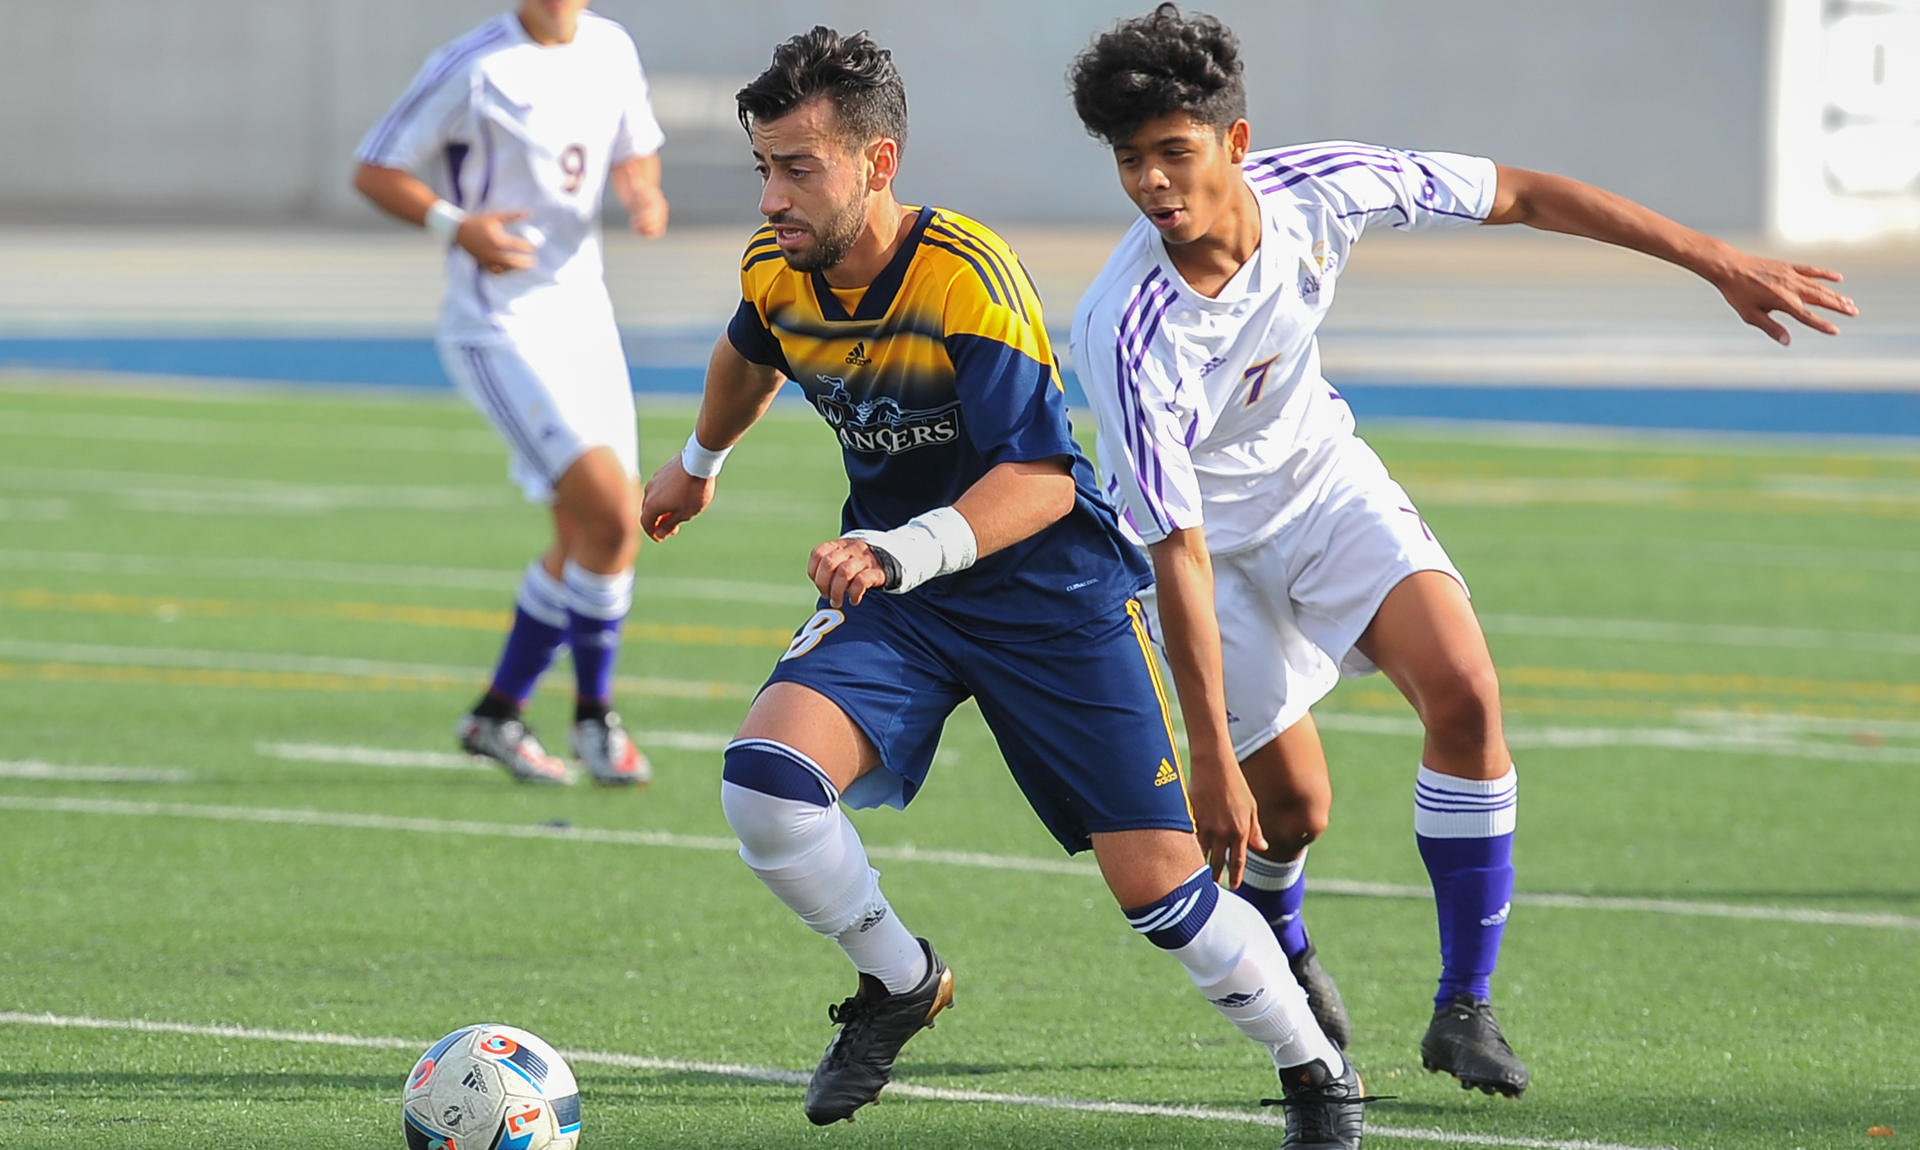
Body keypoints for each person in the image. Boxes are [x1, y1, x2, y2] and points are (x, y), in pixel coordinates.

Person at [1067, 3, 1857, 1099]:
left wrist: (1712, 259)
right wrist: (1208, 755)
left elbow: (1521, 194)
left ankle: (1463, 1007)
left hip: (1322, 483)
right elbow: (1181, 551)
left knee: (1469, 695)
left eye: (1173, 151)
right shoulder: (1124, 329)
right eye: (1129, 161)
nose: (1153, 183)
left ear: (1235, 142)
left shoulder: (1323, 188)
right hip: (1205, 550)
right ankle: (1286, 943)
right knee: (1293, 810)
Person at [640, 26, 1369, 1148]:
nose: (773, 195)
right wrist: (699, 463)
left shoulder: (964, 276)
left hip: (1050, 594)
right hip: (912, 598)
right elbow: (751, 352)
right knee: (766, 784)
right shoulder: (775, 264)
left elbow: (1038, 479)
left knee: (1163, 895)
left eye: (798, 168)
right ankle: (900, 981)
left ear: (878, 164)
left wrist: (897, 549)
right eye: (764, 167)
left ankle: (1316, 1072)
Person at [353, 0, 670, 786]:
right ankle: (595, 717)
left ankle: (497, 713)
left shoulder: (611, 48)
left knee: (597, 532)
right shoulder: (475, 64)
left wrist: (643, 193)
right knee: (609, 513)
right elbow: (376, 167)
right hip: (499, 325)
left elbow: (636, 151)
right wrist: (456, 226)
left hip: (585, 317)